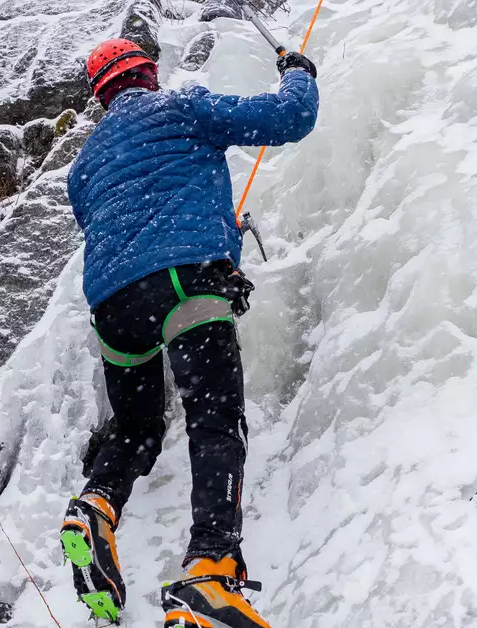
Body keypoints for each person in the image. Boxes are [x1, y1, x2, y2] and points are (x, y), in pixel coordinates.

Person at [59, 36, 318, 627]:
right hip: (186, 283)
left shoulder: (84, 166)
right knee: (213, 419)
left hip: (113, 305)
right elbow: (291, 117)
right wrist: (298, 71)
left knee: (137, 428)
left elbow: (120, 221)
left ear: (101, 95)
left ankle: (95, 508)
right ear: (148, 72)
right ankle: (209, 570)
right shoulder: (181, 106)